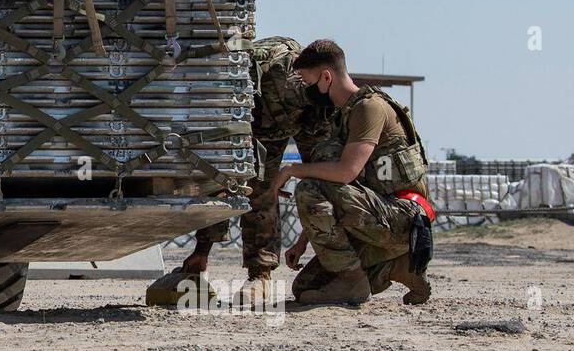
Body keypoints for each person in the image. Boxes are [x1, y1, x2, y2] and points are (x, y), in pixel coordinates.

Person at [146, 37, 335, 309]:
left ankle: (261, 274)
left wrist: (299, 176)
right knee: (217, 185)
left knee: (263, 189)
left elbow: (316, 152)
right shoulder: (262, 66)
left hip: (273, 134)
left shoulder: (319, 100)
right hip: (235, 123)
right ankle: (199, 258)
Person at [273, 39, 433, 306]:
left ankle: (353, 282)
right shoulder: (345, 115)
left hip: (404, 219)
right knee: (305, 287)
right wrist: (303, 241)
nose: (306, 93)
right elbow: (337, 190)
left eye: (308, 83)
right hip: (376, 218)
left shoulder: (368, 108)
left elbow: (346, 173)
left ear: (326, 77)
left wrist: (292, 170)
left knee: (308, 187)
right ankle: (398, 268)